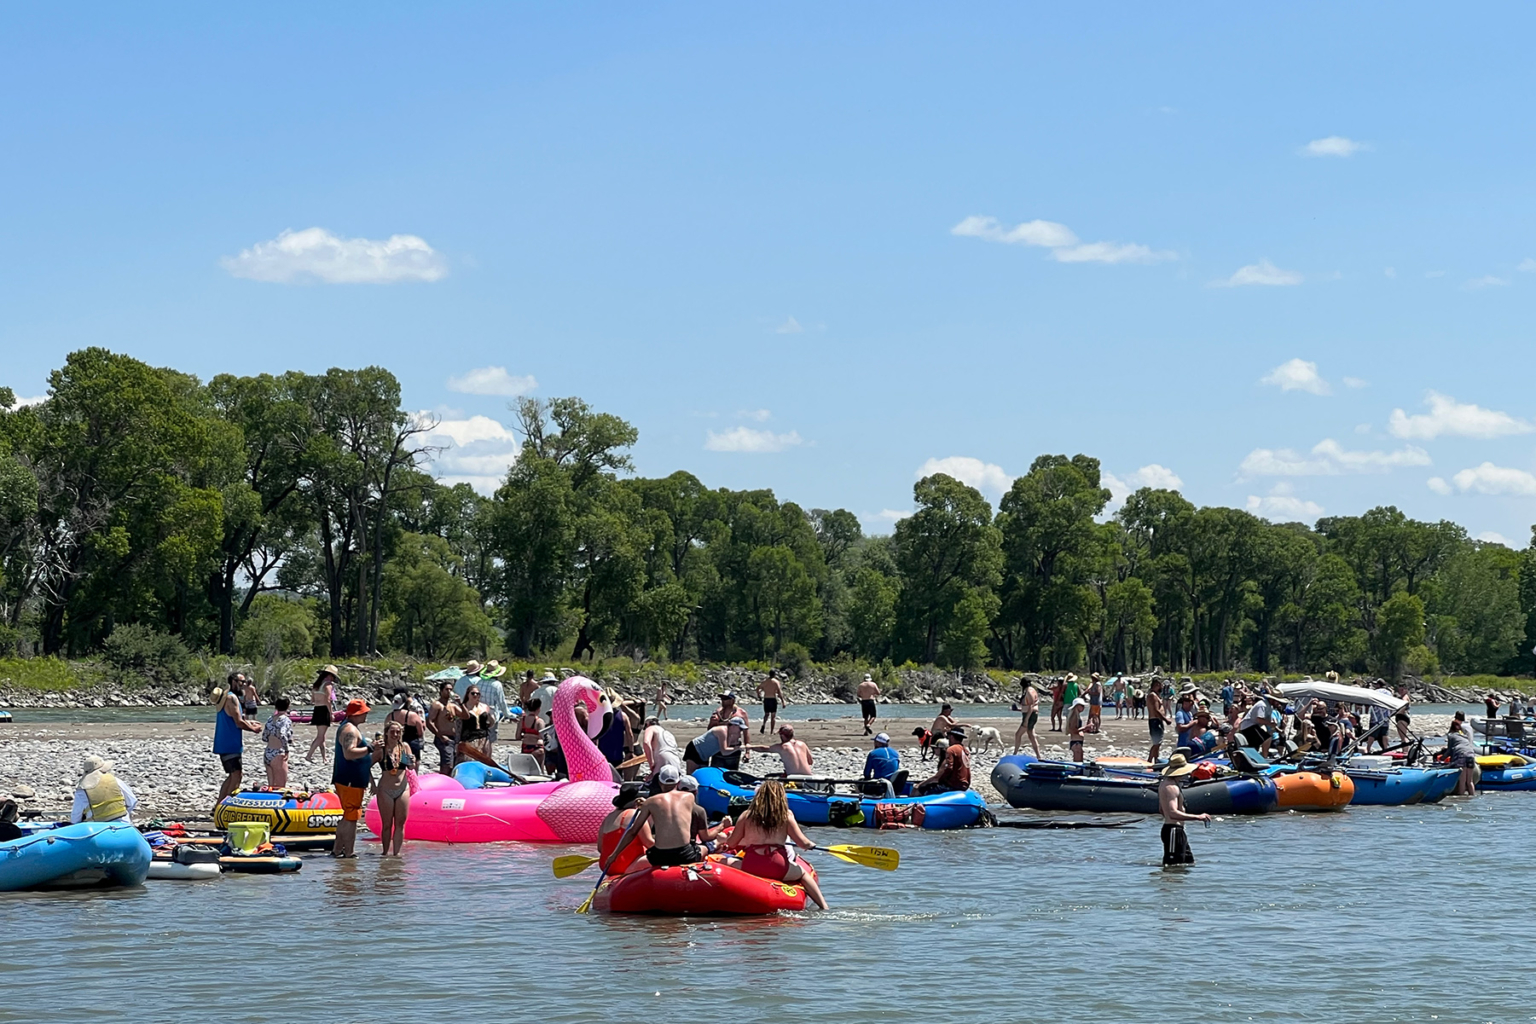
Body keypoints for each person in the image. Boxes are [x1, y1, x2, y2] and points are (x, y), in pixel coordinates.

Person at [722, 780, 827, 910]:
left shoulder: (746, 815)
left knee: (722, 861)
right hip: (777, 866)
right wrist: (811, 845)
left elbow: (732, 844)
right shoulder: (786, 816)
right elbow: (802, 843)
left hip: (752, 865)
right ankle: (824, 907)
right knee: (803, 874)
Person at [606, 765, 704, 869]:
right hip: (684, 855)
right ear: (678, 782)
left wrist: (614, 855)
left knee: (652, 850)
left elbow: (633, 832)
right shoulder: (689, 797)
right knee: (704, 849)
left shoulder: (650, 802)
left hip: (660, 857)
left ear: (660, 782)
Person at [331, 698, 373, 858]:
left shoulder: (349, 726)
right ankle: (349, 852)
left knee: (347, 814)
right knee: (352, 816)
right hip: (350, 779)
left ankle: (337, 849)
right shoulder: (350, 730)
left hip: (348, 778)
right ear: (356, 714)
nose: (367, 714)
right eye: (364, 712)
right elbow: (349, 753)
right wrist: (369, 748)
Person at [213, 675, 262, 806]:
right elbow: (238, 722)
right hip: (230, 743)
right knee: (237, 775)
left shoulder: (226, 697)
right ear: (234, 682)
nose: (244, 684)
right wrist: (253, 729)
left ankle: (218, 806)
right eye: (242, 681)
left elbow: (233, 718)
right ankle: (227, 806)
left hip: (225, 742)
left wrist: (250, 722)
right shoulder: (232, 698)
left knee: (232, 775)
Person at [1157, 754, 1211, 866]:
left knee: (1189, 862)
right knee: (1172, 866)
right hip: (1173, 830)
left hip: (1177, 831)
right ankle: (1170, 883)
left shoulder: (1165, 784)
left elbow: (1162, 809)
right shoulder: (1171, 787)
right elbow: (1172, 813)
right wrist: (1198, 817)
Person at [373, 719, 414, 857]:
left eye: (398, 732)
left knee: (400, 823)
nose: (395, 734)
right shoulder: (381, 750)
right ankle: (385, 853)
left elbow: (411, 767)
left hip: (403, 789)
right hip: (385, 790)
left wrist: (412, 762)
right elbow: (366, 765)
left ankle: (396, 854)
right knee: (387, 824)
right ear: (386, 733)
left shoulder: (405, 747)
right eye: (392, 732)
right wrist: (372, 784)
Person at [597, 783, 653, 875]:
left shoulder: (608, 817)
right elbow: (649, 843)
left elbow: (600, 848)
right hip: (625, 866)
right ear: (637, 801)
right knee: (663, 857)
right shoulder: (635, 815)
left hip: (606, 866)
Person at [70, 755, 137, 823]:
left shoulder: (82, 790)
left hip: (97, 828)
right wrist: (124, 815)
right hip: (123, 824)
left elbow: (76, 817)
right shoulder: (116, 781)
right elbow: (132, 801)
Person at [916, 727, 971, 794]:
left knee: (919, 789)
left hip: (953, 785)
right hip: (964, 784)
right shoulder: (965, 750)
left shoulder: (951, 749)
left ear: (952, 737)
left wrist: (921, 784)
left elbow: (948, 768)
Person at [682, 721, 749, 773]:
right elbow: (724, 751)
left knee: (701, 775)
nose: (741, 731)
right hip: (695, 749)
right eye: (740, 729)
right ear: (733, 726)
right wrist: (738, 748)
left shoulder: (730, 734)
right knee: (691, 774)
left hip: (705, 755)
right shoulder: (722, 731)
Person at [305, 664, 340, 762]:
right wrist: (331, 713)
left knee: (322, 736)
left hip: (317, 709)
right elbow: (328, 700)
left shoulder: (316, 685)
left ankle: (324, 758)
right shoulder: (328, 685)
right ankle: (309, 755)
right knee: (320, 737)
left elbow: (312, 700)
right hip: (324, 710)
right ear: (330, 676)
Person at [427, 681, 461, 775]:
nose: (449, 691)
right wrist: (440, 735)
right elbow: (429, 722)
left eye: (450, 689)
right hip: (443, 738)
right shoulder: (437, 705)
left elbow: (465, 716)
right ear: (441, 691)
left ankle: (450, 781)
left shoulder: (452, 705)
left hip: (454, 738)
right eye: (447, 689)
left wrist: (460, 703)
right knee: (447, 764)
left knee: (454, 763)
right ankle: (444, 781)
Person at [386, 691, 426, 769]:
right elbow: (420, 731)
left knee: (399, 766)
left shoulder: (390, 716)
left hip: (396, 743)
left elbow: (386, 731)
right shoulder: (413, 715)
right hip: (412, 742)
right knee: (413, 766)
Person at [456, 684, 494, 765]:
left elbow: (491, 722)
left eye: (478, 693)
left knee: (485, 762)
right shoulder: (463, 707)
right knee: (468, 761)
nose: (475, 695)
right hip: (469, 738)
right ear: (468, 694)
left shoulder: (484, 707)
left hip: (483, 737)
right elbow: (458, 725)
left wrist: (491, 719)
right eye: (473, 693)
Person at [262, 697, 294, 789]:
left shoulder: (270, 719)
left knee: (271, 786)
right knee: (280, 786)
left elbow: (264, 737)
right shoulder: (286, 720)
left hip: (268, 751)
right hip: (278, 752)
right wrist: (287, 750)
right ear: (288, 707)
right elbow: (282, 734)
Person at [1446, 715, 1479, 796]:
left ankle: (1461, 799)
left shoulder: (1451, 735)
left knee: (1462, 781)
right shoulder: (1464, 736)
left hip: (1462, 755)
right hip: (1471, 755)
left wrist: (1442, 757)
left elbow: (1449, 750)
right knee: (1470, 781)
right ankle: (1472, 796)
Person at [1013, 678, 1042, 757]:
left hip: (1030, 715)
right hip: (1031, 714)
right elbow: (1030, 706)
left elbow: (1031, 706)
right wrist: (1018, 710)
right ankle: (1038, 756)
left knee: (1018, 734)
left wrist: (1026, 719)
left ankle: (1015, 754)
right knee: (1031, 735)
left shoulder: (1029, 692)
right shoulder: (1032, 690)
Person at [518, 697, 547, 770]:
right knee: (539, 770)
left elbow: (517, 736)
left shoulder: (522, 720)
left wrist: (526, 735)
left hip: (525, 747)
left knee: (526, 769)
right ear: (538, 709)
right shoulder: (539, 721)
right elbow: (542, 738)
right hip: (536, 747)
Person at [1146, 681, 1168, 763]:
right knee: (1156, 743)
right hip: (1155, 720)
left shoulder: (1155, 695)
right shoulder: (1153, 695)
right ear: (1157, 685)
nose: (1162, 687)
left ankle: (1156, 761)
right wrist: (1166, 719)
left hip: (1157, 720)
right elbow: (1156, 710)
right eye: (1161, 685)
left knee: (1158, 743)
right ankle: (1149, 761)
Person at [758, 670, 786, 734]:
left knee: (766, 714)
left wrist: (759, 695)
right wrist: (783, 701)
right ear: (774, 674)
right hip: (772, 699)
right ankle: (771, 731)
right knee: (773, 716)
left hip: (766, 699)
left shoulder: (765, 682)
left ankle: (764, 724)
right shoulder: (776, 682)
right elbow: (779, 692)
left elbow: (758, 688)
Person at [1065, 697, 1088, 763]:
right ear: (1077, 706)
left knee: (1080, 762)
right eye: (1082, 706)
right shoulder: (1074, 716)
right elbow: (1073, 730)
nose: (1083, 707)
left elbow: (1077, 729)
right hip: (1076, 742)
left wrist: (1085, 729)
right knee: (1078, 763)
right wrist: (1085, 727)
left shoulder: (1076, 715)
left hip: (1077, 741)